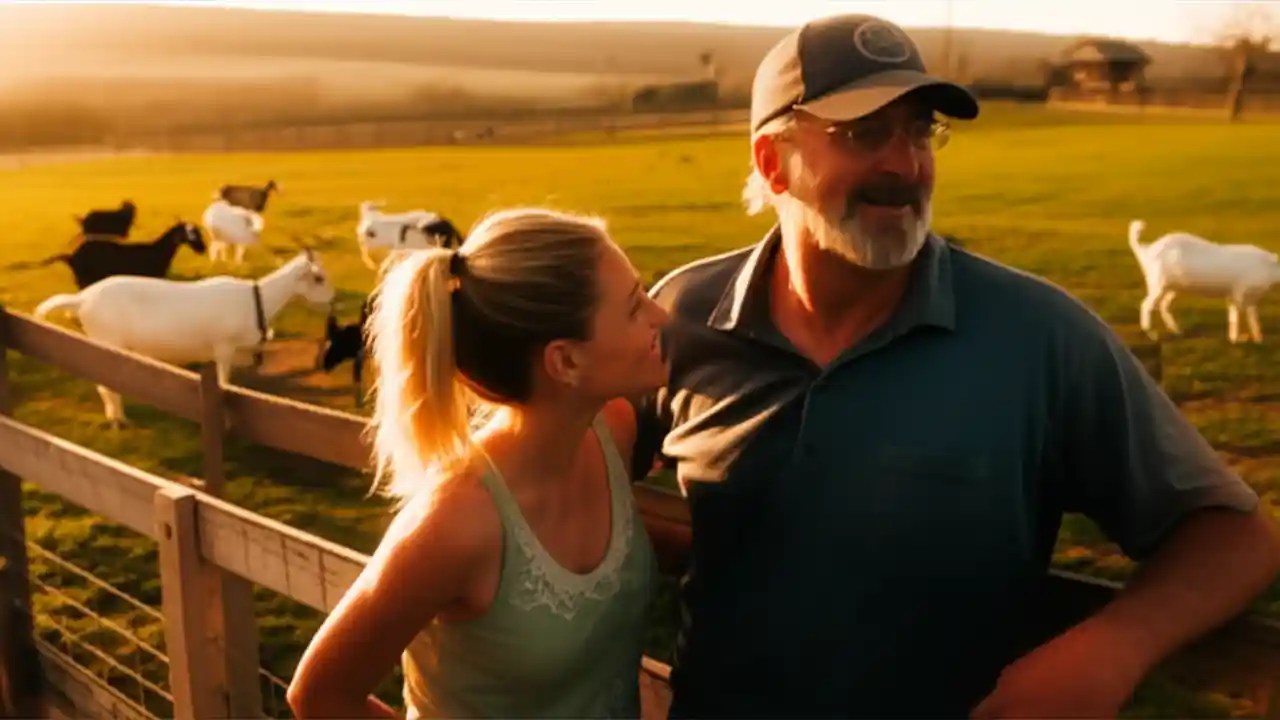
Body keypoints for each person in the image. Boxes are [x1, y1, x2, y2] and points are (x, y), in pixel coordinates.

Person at [631, 13, 1280, 719]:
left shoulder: (1039, 335)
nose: (906, 166)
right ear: (770, 161)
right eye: (864, 133)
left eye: (920, 132)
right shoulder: (684, 313)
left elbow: (1236, 537)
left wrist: (1114, 647)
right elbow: (569, 457)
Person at [287, 208, 669, 718]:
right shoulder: (456, 524)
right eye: (635, 306)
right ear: (566, 361)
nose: (662, 318)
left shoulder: (614, 431)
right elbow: (320, 694)